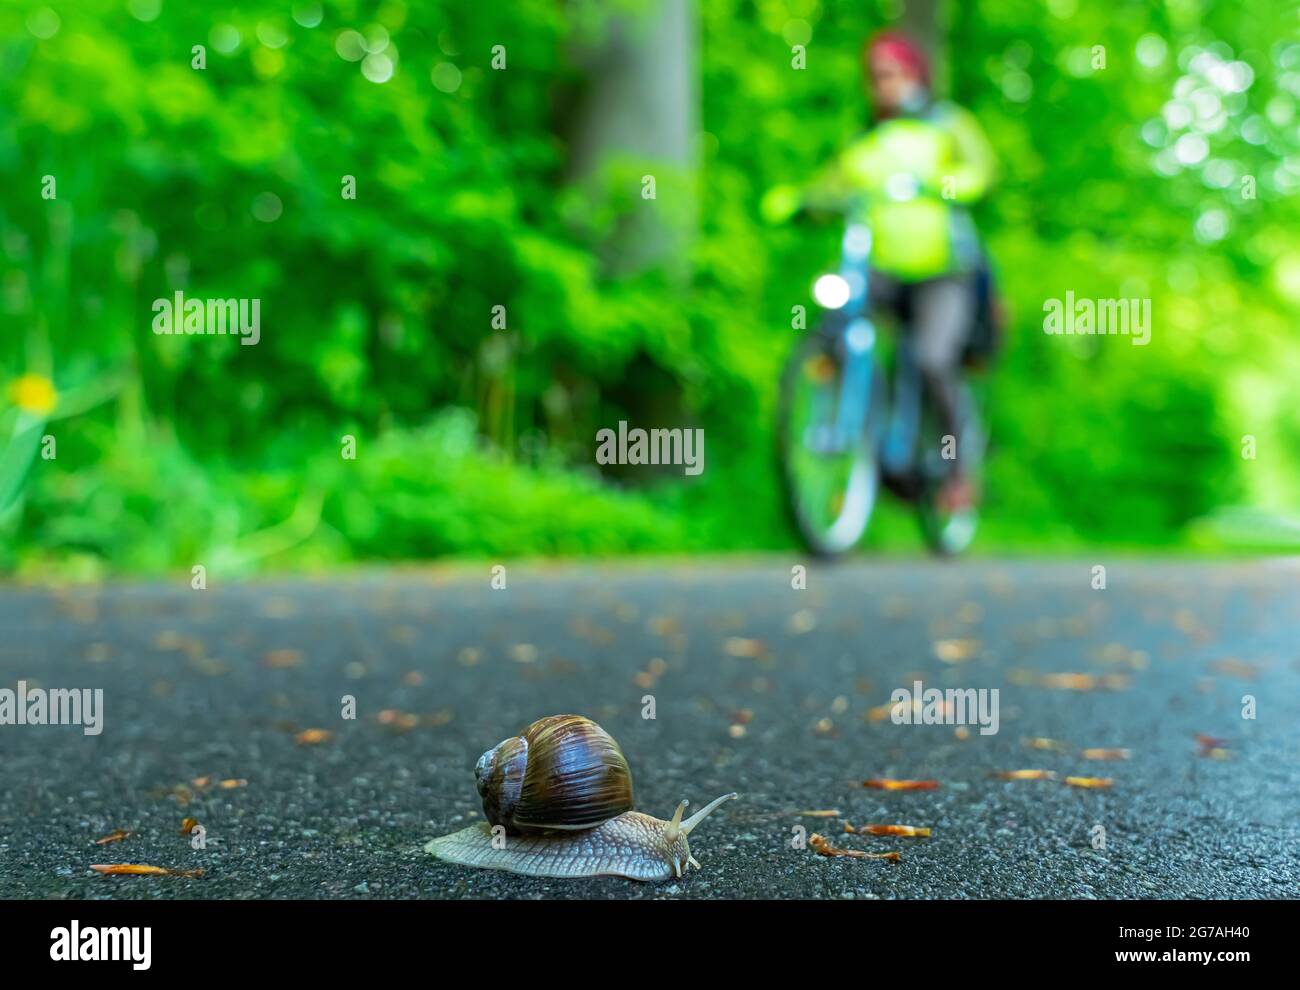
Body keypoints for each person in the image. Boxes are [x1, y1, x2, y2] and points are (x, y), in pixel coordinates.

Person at [764, 32, 998, 512]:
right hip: (881, 268)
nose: (881, 86)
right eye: (873, 77)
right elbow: (829, 187)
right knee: (838, 310)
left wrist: (942, 184)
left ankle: (958, 471)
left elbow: (981, 171)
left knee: (933, 358)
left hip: (941, 270)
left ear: (914, 76)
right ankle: (855, 419)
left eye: (890, 74)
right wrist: (798, 203)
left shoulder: (945, 125)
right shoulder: (864, 144)